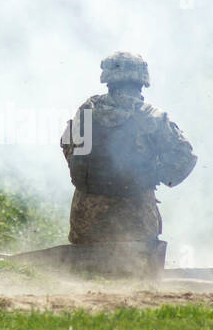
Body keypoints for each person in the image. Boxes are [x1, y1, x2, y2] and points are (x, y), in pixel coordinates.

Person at [60, 52, 196, 273]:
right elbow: (184, 158)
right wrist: (154, 175)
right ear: (142, 80)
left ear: (108, 78)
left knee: (85, 279)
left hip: (87, 221)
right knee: (138, 282)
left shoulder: (86, 112)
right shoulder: (152, 118)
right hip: (135, 223)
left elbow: (69, 148)